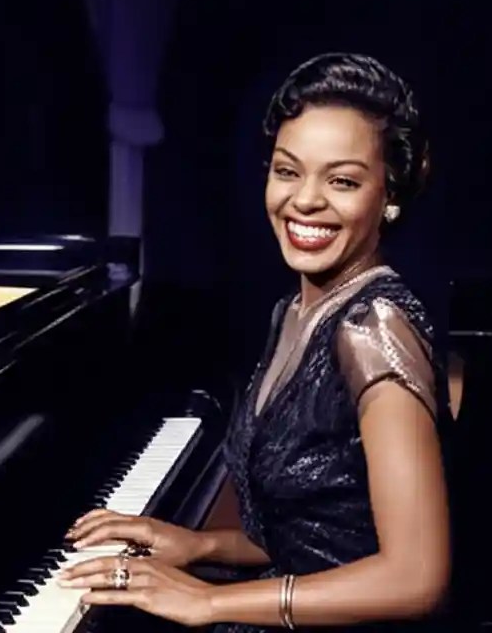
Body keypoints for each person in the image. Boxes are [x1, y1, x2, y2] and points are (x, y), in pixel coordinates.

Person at [60, 52, 453, 630]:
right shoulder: (295, 312)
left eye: (342, 180)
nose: (305, 200)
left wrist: (207, 599)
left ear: (388, 196)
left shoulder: (373, 332)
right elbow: (321, 532)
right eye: (287, 170)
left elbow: (415, 577)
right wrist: (198, 547)